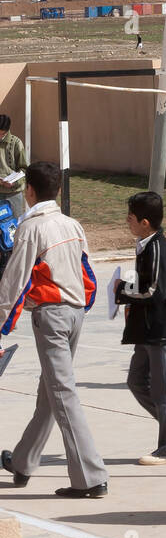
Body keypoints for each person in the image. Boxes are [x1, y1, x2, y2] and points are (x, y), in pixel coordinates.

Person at [0, 162, 108, 497]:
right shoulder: (72, 225)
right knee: (49, 393)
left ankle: (91, 478)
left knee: (63, 395)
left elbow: (14, 281)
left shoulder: (31, 228)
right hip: (74, 314)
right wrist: (80, 306)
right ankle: (22, 462)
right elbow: (87, 272)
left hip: (52, 317)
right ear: (58, 190)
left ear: (28, 191)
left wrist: (2, 324)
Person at [118, 191, 166, 465]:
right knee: (137, 381)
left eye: (131, 217)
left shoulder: (158, 248)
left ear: (145, 222)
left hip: (162, 329)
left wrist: (123, 290)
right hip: (148, 328)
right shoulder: (145, 244)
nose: (127, 221)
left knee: (165, 391)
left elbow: (155, 290)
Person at [0, 113, 28, 221]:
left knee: (15, 226)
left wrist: (14, 182)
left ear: (7, 131)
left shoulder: (16, 143)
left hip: (14, 194)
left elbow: (24, 169)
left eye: (2, 134)